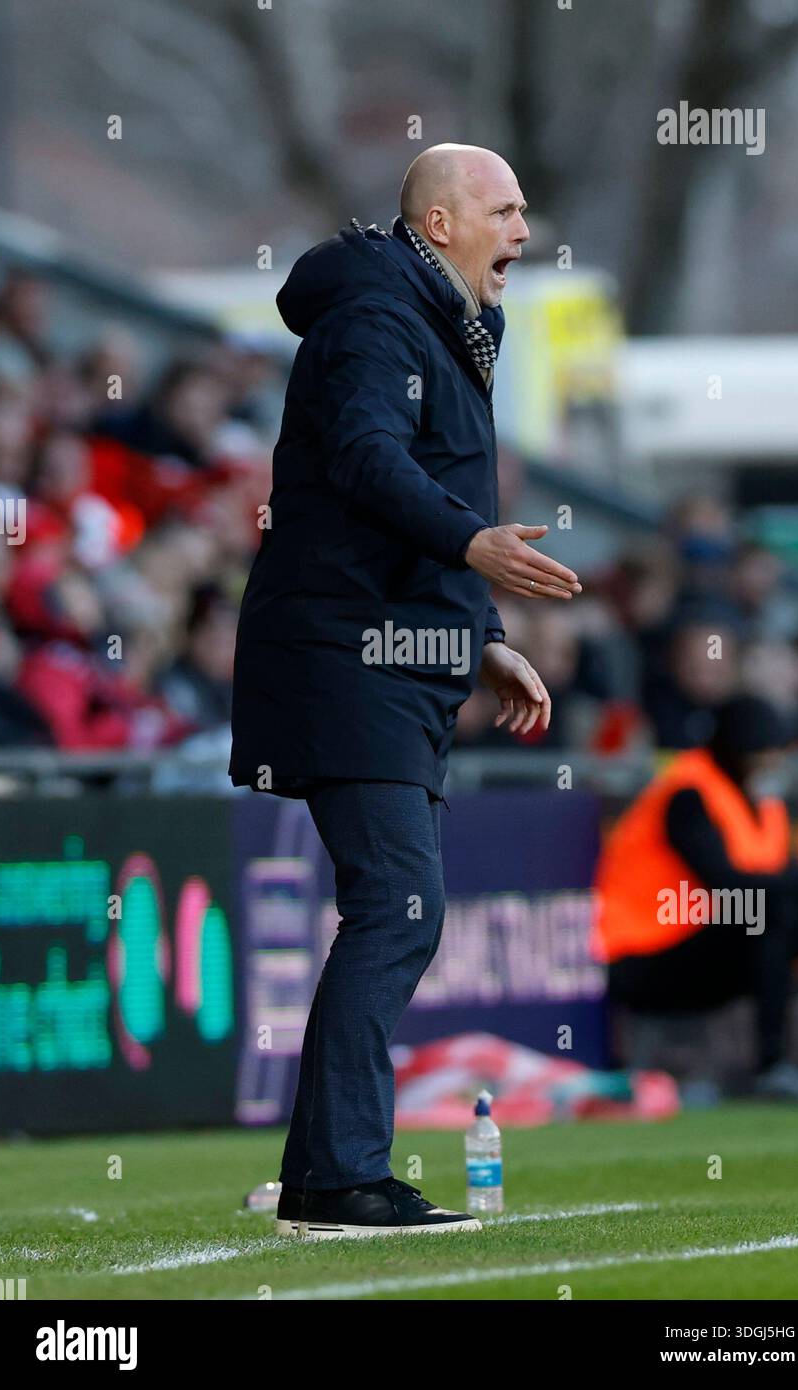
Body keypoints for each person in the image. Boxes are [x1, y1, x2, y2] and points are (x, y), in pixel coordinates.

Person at [229, 143, 581, 1237]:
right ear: (439, 222)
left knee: (398, 908)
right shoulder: (376, 323)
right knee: (400, 906)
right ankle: (338, 1178)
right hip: (345, 657)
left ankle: (318, 1172)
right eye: (507, 211)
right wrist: (474, 547)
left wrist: (478, 636)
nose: (524, 232)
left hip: (398, 657)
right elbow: (370, 463)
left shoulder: (444, 323)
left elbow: (419, 489)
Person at [594, 696, 798, 1100]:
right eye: (762, 754)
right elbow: (726, 881)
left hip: (711, 947)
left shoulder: (762, 802)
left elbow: (773, 877)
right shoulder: (688, 793)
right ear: (735, 752)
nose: (772, 764)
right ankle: (772, 1068)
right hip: (647, 957)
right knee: (768, 913)